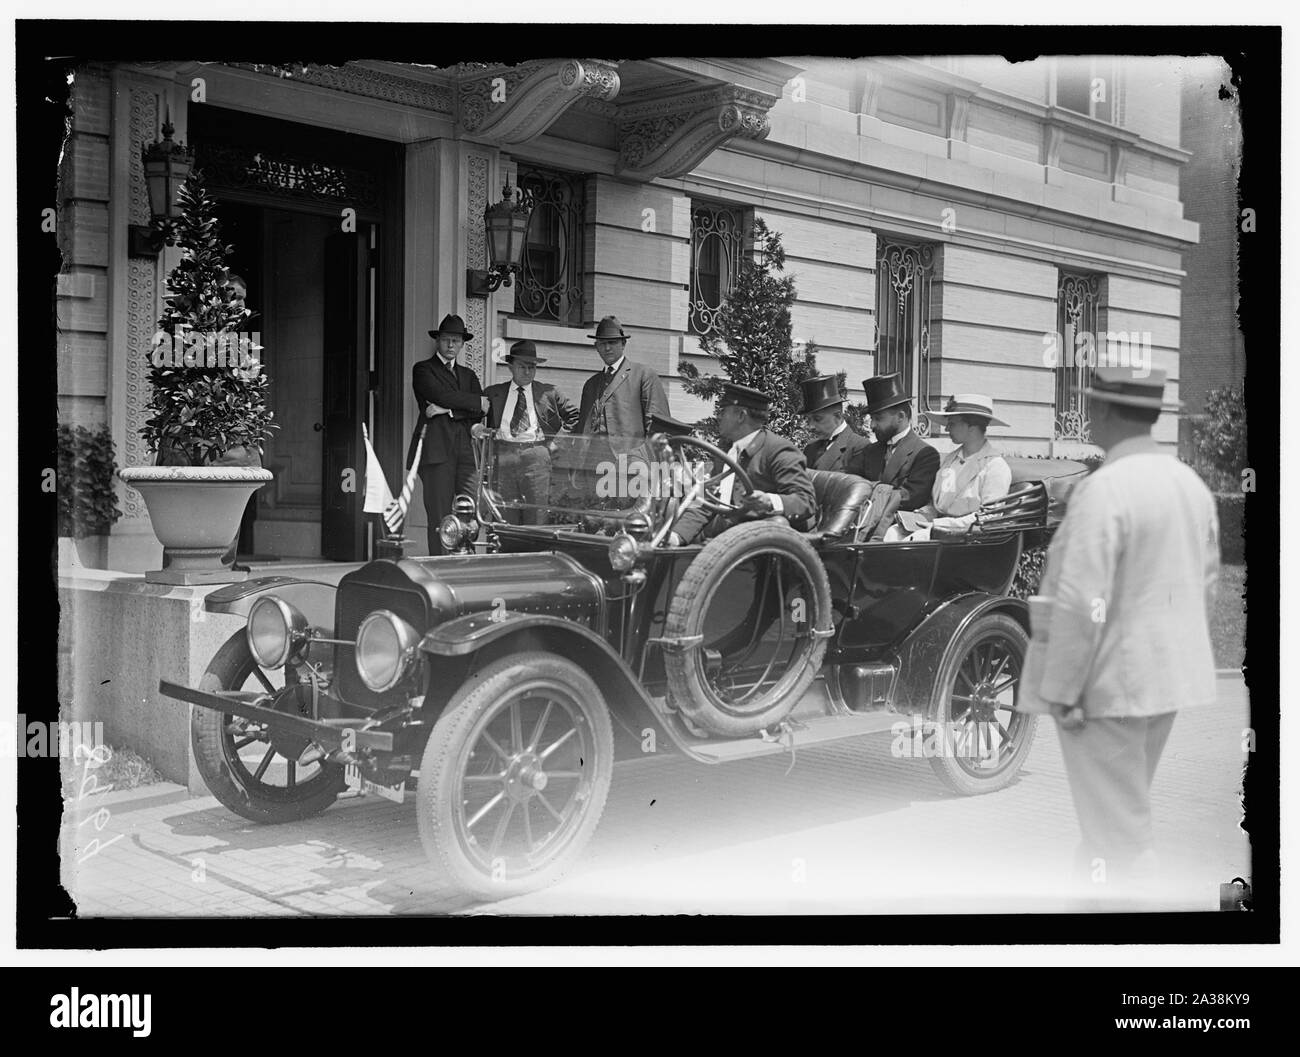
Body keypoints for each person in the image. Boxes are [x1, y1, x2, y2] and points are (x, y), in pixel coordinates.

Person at [1018, 365, 1219, 897]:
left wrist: (1062, 689)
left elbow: (1083, 601)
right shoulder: (1190, 484)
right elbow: (1206, 586)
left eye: (1091, 406)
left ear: (1106, 412)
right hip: (1162, 683)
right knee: (1113, 826)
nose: (1087, 416)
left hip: (1103, 690)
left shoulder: (1105, 490)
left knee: (1120, 840)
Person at [669, 383, 816, 545]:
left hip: (755, 548)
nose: (718, 417)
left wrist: (770, 501)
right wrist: (676, 537)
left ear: (741, 416)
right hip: (725, 542)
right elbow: (707, 502)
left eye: (723, 411)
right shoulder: (726, 449)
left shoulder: (778, 451)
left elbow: (806, 501)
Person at [410, 314, 489, 554]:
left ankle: (464, 565)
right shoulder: (423, 369)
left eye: (456, 340)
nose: (451, 345)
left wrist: (448, 410)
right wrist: (472, 402)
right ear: (438, 341)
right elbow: (441, 395)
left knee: (470, 511)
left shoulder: (468, 375)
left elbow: (480, 412)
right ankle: (440, 568)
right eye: (446, 340)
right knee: (440, 515)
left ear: (463, 344)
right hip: (436, 453)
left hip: (465, 453)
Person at [885, 394, 1012, 540]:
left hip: (968, 538)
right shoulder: (950, 460)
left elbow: (989, 517)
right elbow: (936, 505)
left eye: (952, 423)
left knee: (914, 540)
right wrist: (917, 517)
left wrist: (941, 525)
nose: (946, 428)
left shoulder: (994, 466)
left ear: (972, 427)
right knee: (892, 533)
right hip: (938, 529)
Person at [482, 340, 579, 525]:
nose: (527, 372)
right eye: (522, 366)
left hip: (536, 457)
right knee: (505, 516)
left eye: (532, 367)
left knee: (536, 516)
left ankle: (536, 553)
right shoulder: (493, 393)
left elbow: (574, 416)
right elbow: (476, 418)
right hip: (504, 458)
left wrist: (555, 444)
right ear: (510, 367)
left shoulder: (549, 393)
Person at [577, 315, 669, 448]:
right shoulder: (590, 385)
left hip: (631, 462)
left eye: (612, 342)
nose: (607, 348)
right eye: (602, 343)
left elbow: (658, 427)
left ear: (623, 344)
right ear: (596, 347)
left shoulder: (643, 375)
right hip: (594, 462)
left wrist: (644, 461)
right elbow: (582, 431)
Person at [800, 374, 872, 476]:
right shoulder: (810, 448)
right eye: (808, 420)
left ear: (838, 416)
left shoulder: (859, 447)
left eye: (817, 419)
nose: (810, 426)